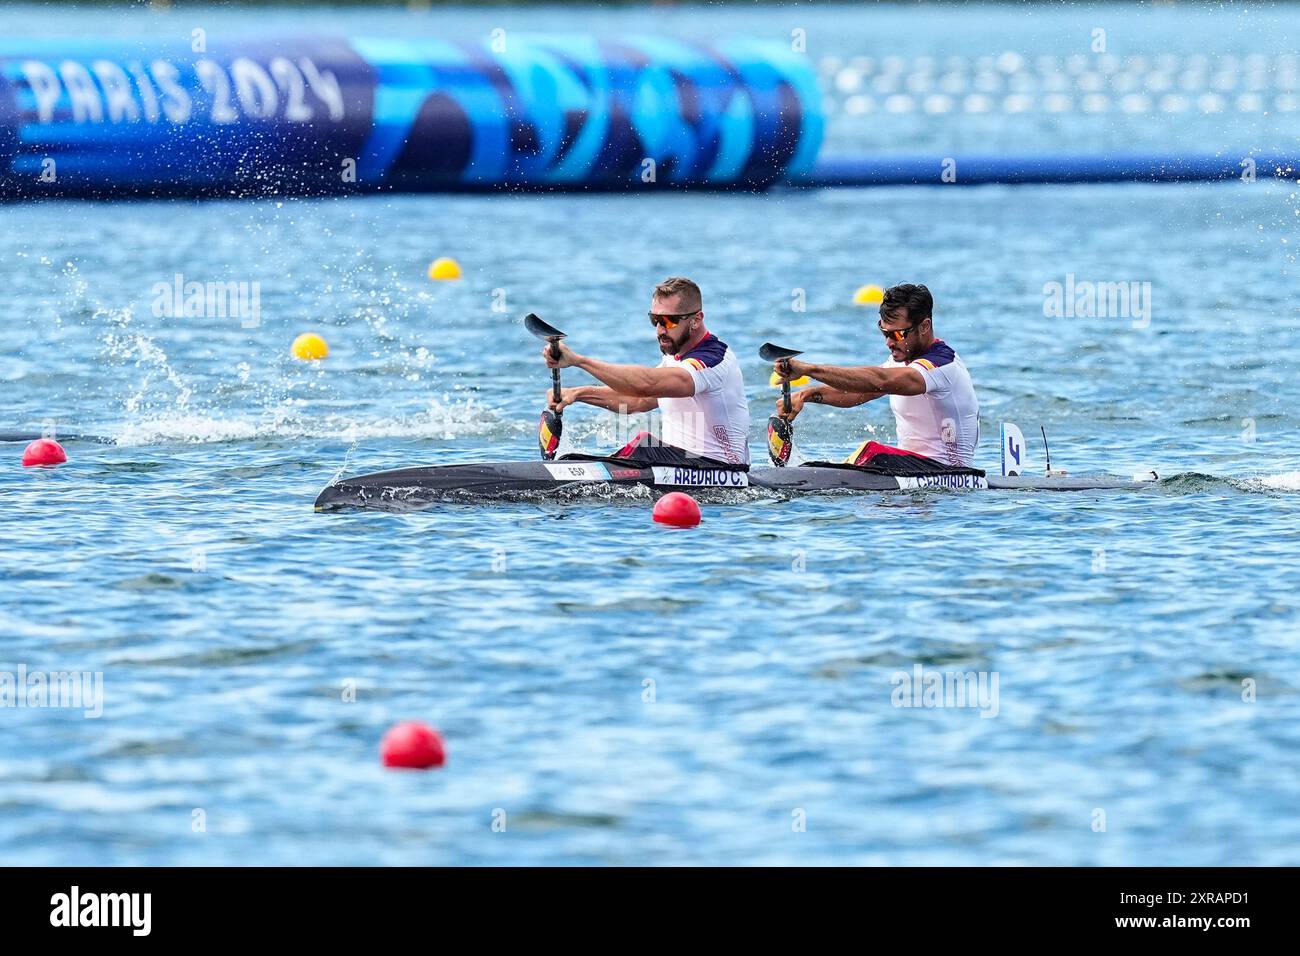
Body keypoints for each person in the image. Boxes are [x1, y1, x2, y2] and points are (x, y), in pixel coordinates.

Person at [543, 276, 750, 466]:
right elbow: (638, 401)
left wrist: (579, 361)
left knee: (644, 444)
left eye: (669, 321)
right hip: (680, 466)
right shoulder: (675, 357)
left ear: (696, 319)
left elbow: (645, 385)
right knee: (579, 459)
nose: (660, 330)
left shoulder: (713, 360)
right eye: (655, 320)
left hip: (723, 470)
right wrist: (576, 394)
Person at [772, 283, 979, 467]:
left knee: (870, 452)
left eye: (896, 334)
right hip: (912, 469)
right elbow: (862, 391)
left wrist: (809, 369)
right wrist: (807, 395)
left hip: (950, 473)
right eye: (884, 332)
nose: (888, 343)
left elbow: (880, 380)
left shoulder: (941, 365)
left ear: (924, 326)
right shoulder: (906, 361)